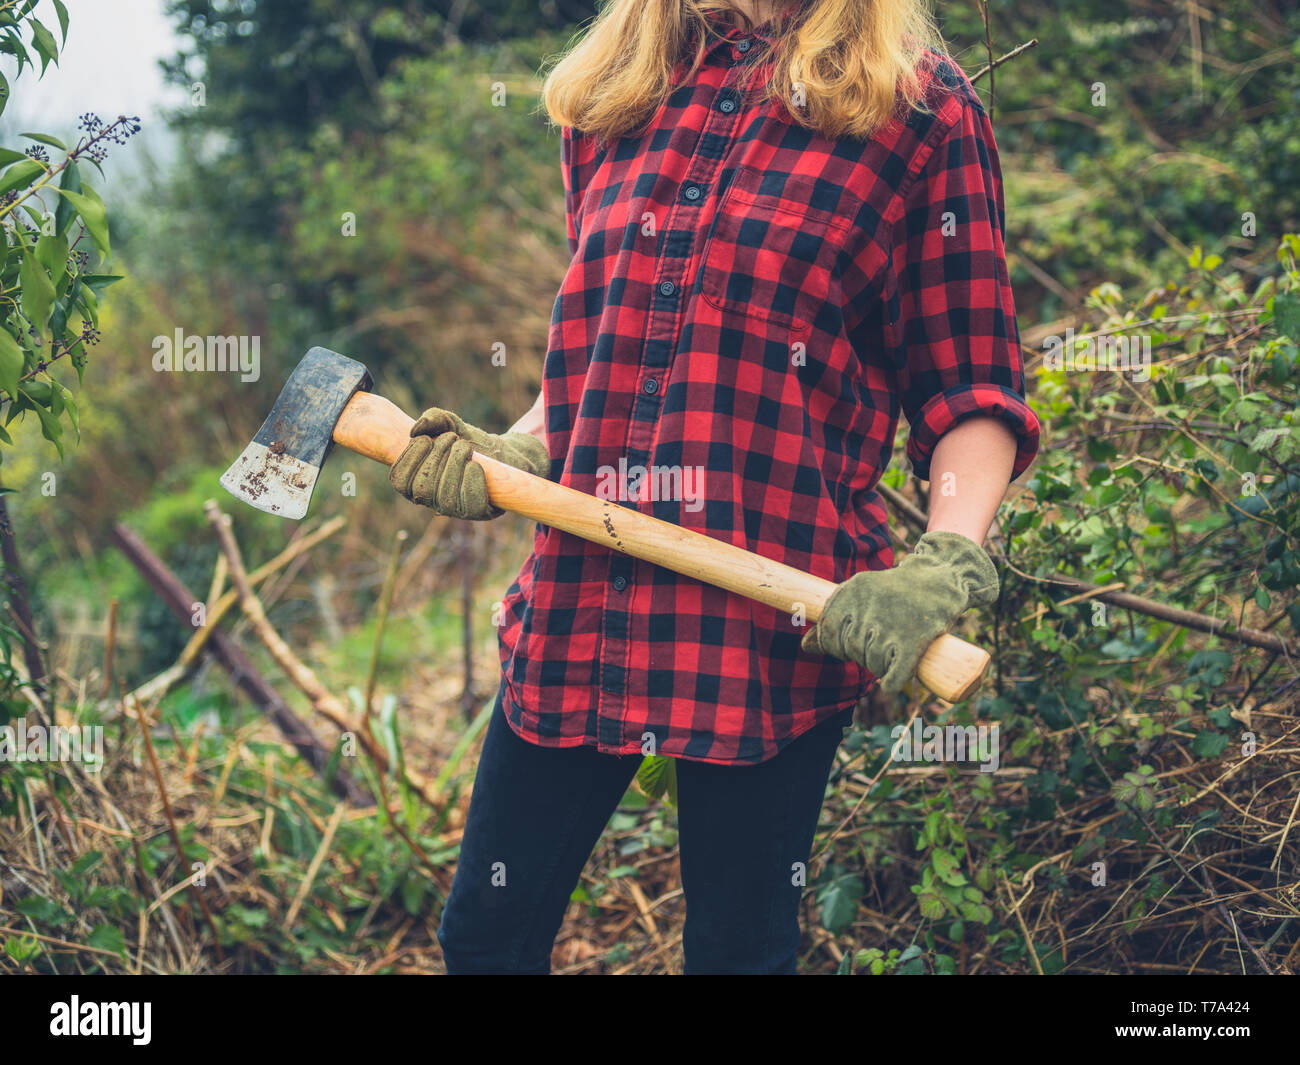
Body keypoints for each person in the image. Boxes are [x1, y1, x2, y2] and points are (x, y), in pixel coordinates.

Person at [389, 0, 1040, 974]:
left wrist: (945, 560)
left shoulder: (917, 110)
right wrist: (521, 448)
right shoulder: (617, 92)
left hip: (766, 633)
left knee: (737, 952)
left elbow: (969, 387)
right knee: (485, 938)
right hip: (579, 611)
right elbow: (604, 345)